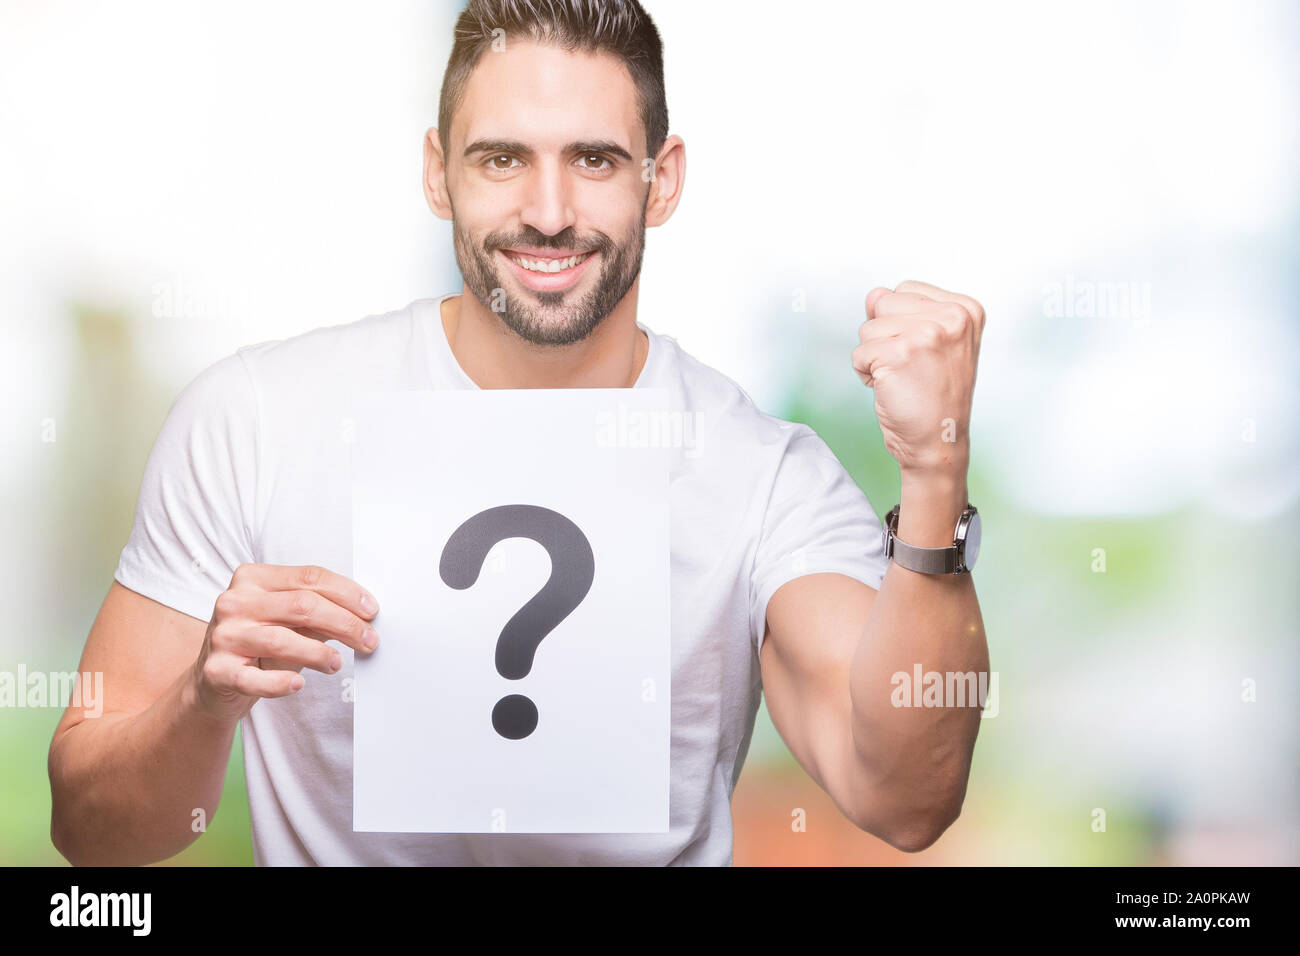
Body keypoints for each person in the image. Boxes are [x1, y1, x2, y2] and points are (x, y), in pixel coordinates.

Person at [48, 0, 989, 866]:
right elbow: (93, 836)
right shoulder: (252, 419)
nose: (548, 211)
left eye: (594, 159)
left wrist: (935, 470)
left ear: (662, 182)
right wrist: (202, 702)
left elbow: (904, 797)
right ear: (435, 172)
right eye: (503, 158)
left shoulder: (762, 475)